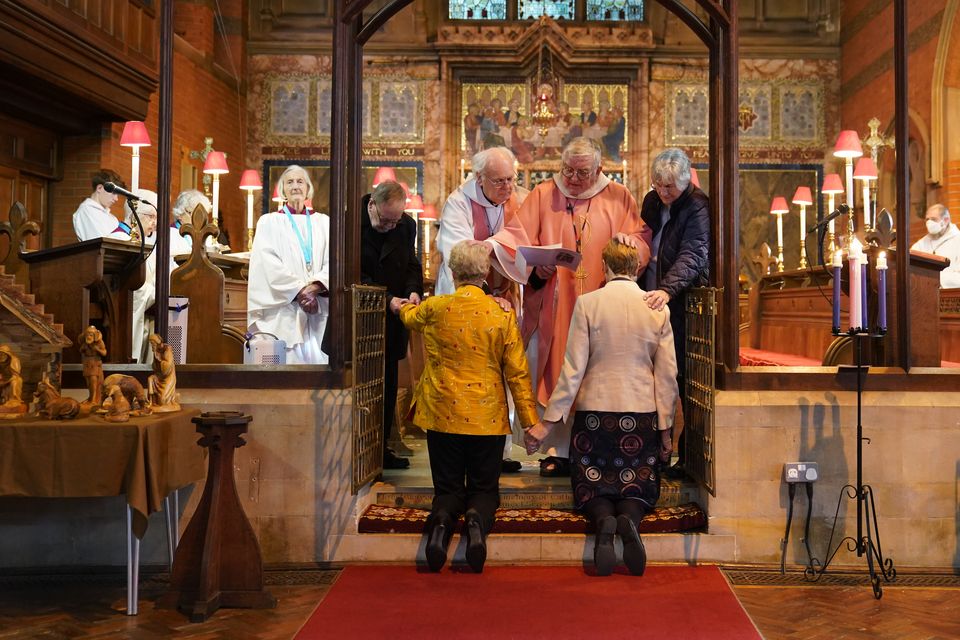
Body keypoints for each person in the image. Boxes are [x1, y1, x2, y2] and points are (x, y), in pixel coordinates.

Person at [487, 136, 651, 477]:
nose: (573, 179)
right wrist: (535, 268)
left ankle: (595, 448)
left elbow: (641, 240)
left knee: (596, 374)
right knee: (559, 367)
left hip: (604, 304)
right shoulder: (544, 194)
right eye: (568, 170)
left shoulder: (619, 197)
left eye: (582, 172)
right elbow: (514, 238)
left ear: (599, 169)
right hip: (555, 302)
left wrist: (630, 243)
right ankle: (558, 451)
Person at [525, 239, 678, 576]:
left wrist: (546, 424)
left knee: (592, 482)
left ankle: (605, 520)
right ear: (637, 268)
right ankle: (628, 520)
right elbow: (667, 376)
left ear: (606, 269)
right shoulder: (657, 307)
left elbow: (572, 369)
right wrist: (666, 430)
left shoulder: (588, 303)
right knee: (638, 483)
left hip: (595, 415)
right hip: (640, 415)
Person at [399, 240, 538, 573]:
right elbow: (517, 371)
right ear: (486, 272)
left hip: (442, 413)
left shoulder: (436, 308)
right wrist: (531, 423)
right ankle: (476, 523)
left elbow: (409, 316)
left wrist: (399, 305)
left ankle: (441, 527)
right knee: (484, 489)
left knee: (446, 488)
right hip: (487, 417)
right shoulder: (500, 312)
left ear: (451, 271)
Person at [437, 146, 527, 472]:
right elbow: (460, 256)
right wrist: (486, 293)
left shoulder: (518, 200)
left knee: (501, 376)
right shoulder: (458, 204)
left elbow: (525, 239)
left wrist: (494, 246)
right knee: (467, 377)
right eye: (500, 181)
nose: (508, 188)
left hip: (504, 300)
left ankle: (498, 452)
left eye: (511, 180)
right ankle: (464, 452)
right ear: (479, 178)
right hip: (466, 303)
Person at [640, 148, 710, 476]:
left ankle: (689, 459)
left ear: (685, 182)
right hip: (649, 301)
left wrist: (666, 290)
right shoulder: (652, 201)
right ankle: (650, 453)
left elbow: (693, 255)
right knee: (649, 379)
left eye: (670, 187)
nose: (663, 192)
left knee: (683, 382)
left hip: (680, 304)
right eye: (658, 184)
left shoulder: (697, 206)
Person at [361, 180, 424, 470]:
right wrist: (387, 300)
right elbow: (353, 275)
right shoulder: (352, 222)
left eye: (395, 221)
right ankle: (361, 450)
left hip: (394, 317)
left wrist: (414, 291)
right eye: (385, 220)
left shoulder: (405, 225)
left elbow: (411, 263)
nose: (390, 226)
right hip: (362, 318)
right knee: (362, 388)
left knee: (386, 387)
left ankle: (382, 449)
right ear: (372, 205)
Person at [248, 165, 331, 364]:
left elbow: (333, 260)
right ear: (282, 189)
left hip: (317, 306)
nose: (295, 186)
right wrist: (300, 291)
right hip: (285, 308)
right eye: (289, 182)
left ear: (309, 188)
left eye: (300, 181)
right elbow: (267, 263)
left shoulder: (324, 222)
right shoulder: (269, 222)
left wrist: (316, 287)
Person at [72, 169, 131, 241]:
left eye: (117, 194)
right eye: (114, 193)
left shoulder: (112, 218)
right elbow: (100, 242)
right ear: (99, 188)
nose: (116, 199)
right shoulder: (86, 211)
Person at [910, 204, 960, 288]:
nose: (929, 223)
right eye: (927, 219)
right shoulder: (922, 243)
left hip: (951, 295)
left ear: (946, 220)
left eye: (933, 219)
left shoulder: (957, 240)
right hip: (925, 292)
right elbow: (910, 263)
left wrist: (937, 278)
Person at [147, 333, 180, 412]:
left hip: (168, 378)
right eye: (151, 343)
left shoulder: (167, 349)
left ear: (157, 343)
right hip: (159, 376)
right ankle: (151, 401)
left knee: (162, 401)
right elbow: (154, 367)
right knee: (151, 378)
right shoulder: (156, 351)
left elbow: (167, 367)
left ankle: (174, 397)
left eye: (153, 343)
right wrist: (155, 357)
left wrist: (159, 359)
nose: (152, 345)